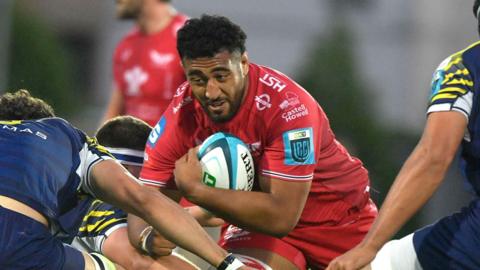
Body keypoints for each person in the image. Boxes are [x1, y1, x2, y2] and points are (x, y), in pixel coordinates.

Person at [128, 14, 378, 270]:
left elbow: (282, 216)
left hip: (340, 224)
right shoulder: (181, 118)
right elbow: (142, 204)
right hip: (258, 229)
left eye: (221, 76)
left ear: (244, 63)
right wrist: (148, 238)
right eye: (198, 79)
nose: (211, 92)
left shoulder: (288, 108)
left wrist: (198, 192)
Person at [0, 90, 247, 270]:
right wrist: (230, 265)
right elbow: (141, 256)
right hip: (22, 244)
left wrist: (197, 214)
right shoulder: (68, 145)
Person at [326, 2, 480, 270]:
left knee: (368, 266)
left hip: (474, 239)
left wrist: (369, 247)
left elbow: (434, 156)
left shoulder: (462, 69)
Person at [58, 115, 198, 270]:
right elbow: (138, 261)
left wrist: (201, 213)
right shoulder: (101, 206)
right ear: (122, 168)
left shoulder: (81, 195)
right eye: (150, 172)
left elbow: (146, 215)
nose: (156, 180)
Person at [102, 0, 188, 126]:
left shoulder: (188, 38)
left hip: (174, 144)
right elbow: (113, 112)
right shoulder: (126, 45)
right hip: (131, 143)